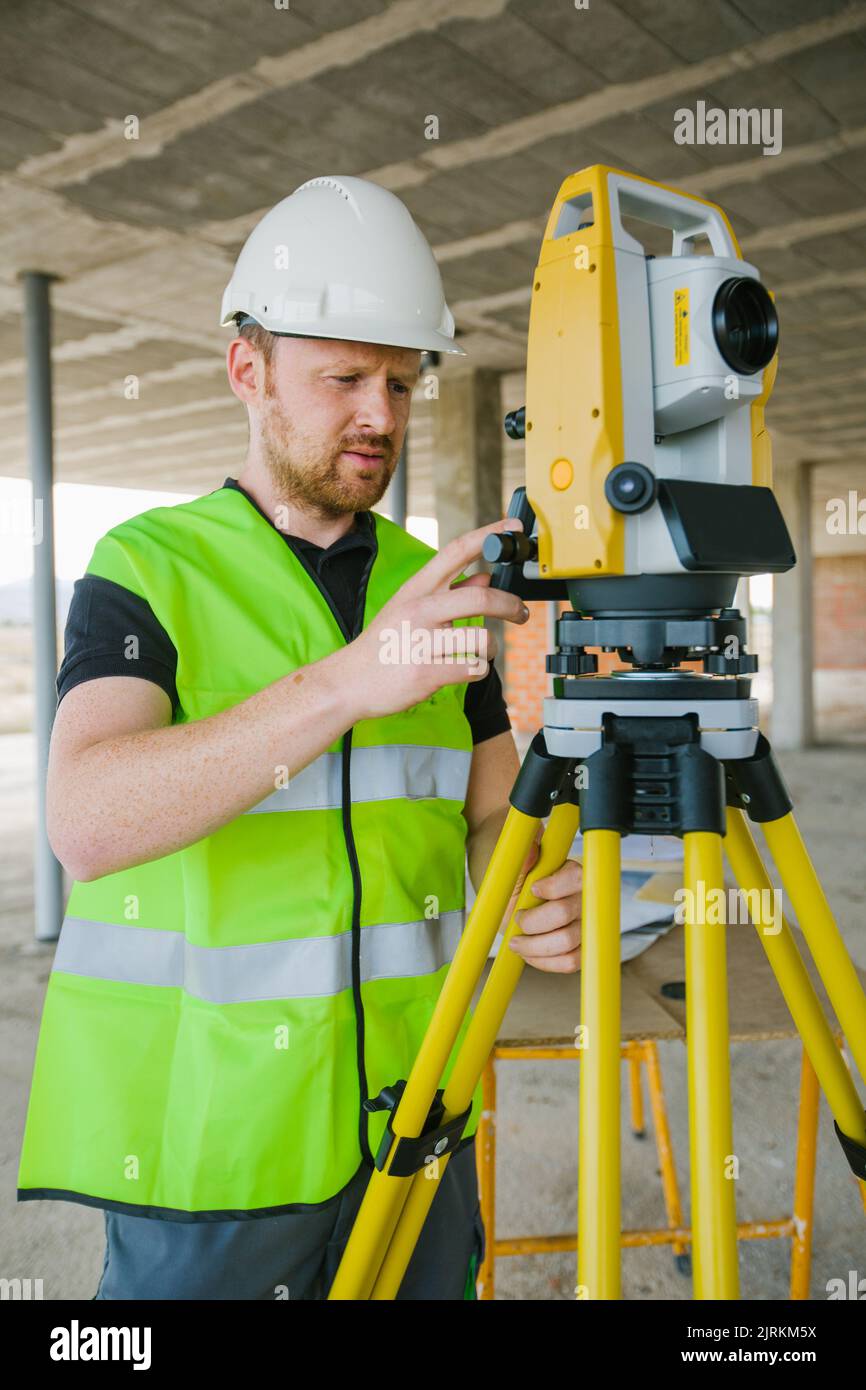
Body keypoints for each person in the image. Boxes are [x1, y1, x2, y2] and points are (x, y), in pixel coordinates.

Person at [18, 174, 582, 1300]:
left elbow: (484, 809)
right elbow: (85, 820)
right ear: (247, 368)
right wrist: (344, 682)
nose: (379, 414)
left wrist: (520, 889)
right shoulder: (149, 568)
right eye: (342, 377)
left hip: (415, 1121)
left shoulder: (434, 591)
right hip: (214, 1155)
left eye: (399, 382)